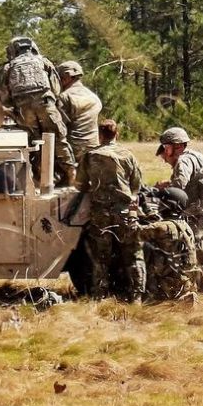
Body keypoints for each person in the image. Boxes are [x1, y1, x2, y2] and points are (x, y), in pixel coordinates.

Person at [0, 36, 75, 185]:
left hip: (23, 110)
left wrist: (9, 107)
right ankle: (71, 173)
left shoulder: (8, 67)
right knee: (59, 139)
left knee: (32, 144)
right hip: (46, 105)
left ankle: (34, 179)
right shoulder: (43, 62)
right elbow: (56, 88)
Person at [77, 118, 146, 300]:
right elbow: (136, 187)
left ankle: (100, 296)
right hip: (124, 212)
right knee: (133, 255)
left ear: (99, 135)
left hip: (101, 214)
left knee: (100, 258)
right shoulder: (128, 155)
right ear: (117, 134)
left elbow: (80, 185)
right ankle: (136, 296)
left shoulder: (90, 156)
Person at [157, 126, 203, 294]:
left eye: (167, 148)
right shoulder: (199, 156)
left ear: (178, 146)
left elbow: (179, 186)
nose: (166, 153)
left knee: (202, 256)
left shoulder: (184, 160)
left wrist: (163, 191)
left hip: (202, 215)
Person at [135, 185, 203, 301]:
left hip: (170, 284)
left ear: (169, 205)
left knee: (143, 249)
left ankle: (146, 297)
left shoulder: (163, 228)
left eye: (161, 203)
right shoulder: (185, 226)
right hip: (187, 280)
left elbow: (133, 232)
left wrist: (132, 213)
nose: (159, 205)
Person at [58, 60, 102, 172]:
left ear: (67, 77)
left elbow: (59, 127)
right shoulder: (93, 97)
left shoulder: (65, 97)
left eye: (60, 78)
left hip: (73, 149)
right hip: (93, 146)